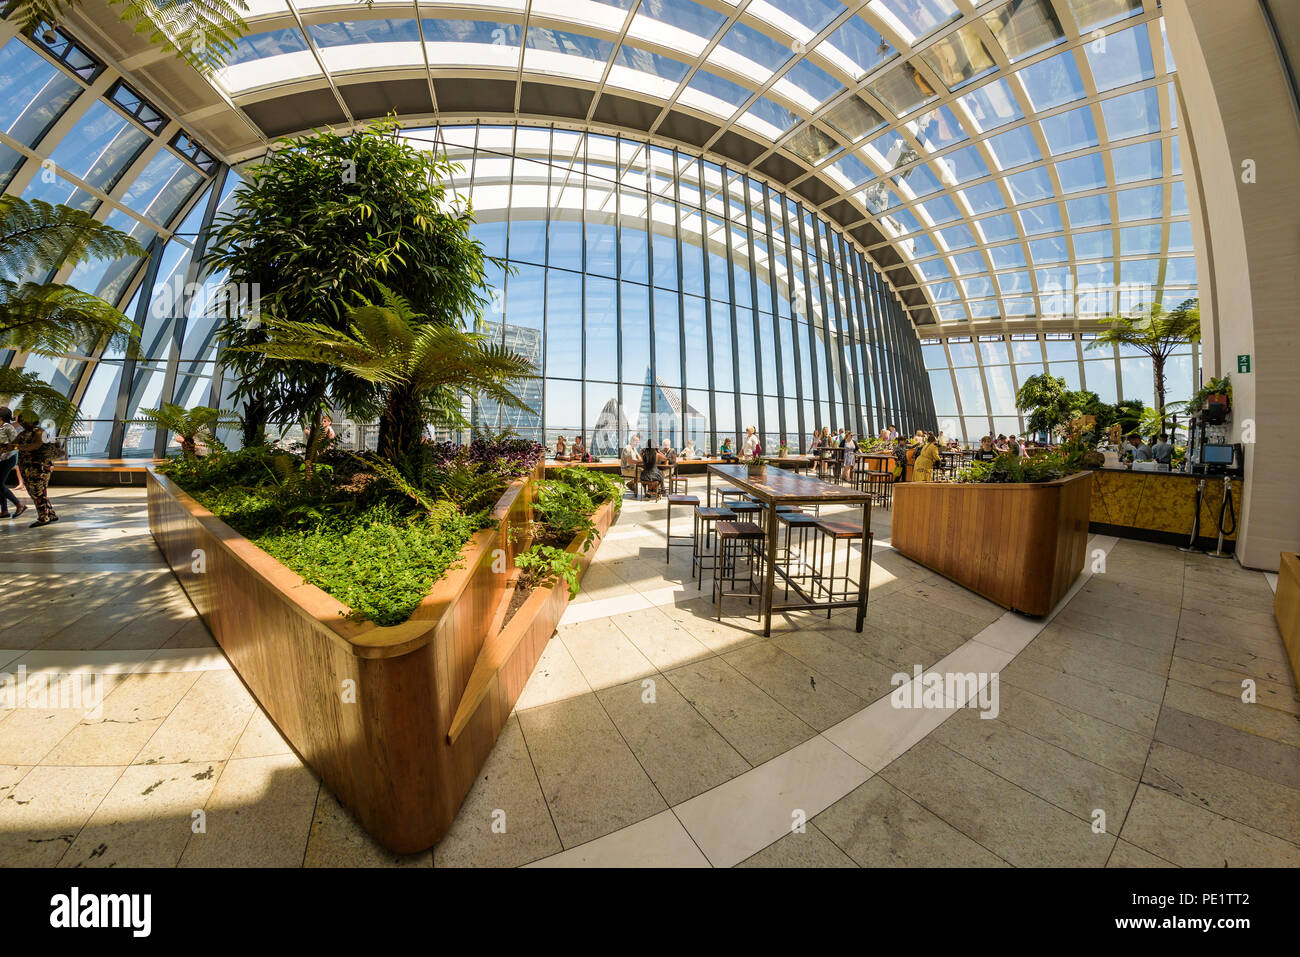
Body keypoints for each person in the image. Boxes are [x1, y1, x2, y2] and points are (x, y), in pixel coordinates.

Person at [13, 413, 57, 527]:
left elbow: (36, 445)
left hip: (39, 467)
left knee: (37, 492)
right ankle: (50, 513)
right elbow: (13, 443)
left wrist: (17, 447)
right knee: (38, 492)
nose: (22, 423)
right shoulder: (23, 433)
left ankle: (43, 517)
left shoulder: (39, 432)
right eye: (21, 421)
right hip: (27, 467)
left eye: (24, 421)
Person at [0, 407, 26, 520]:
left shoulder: (8, 428)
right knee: (0, 485)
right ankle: (4, 510)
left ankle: (19, 504)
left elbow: (16, 445)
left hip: (8, 459)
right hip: (1, 460)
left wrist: (5, 450)